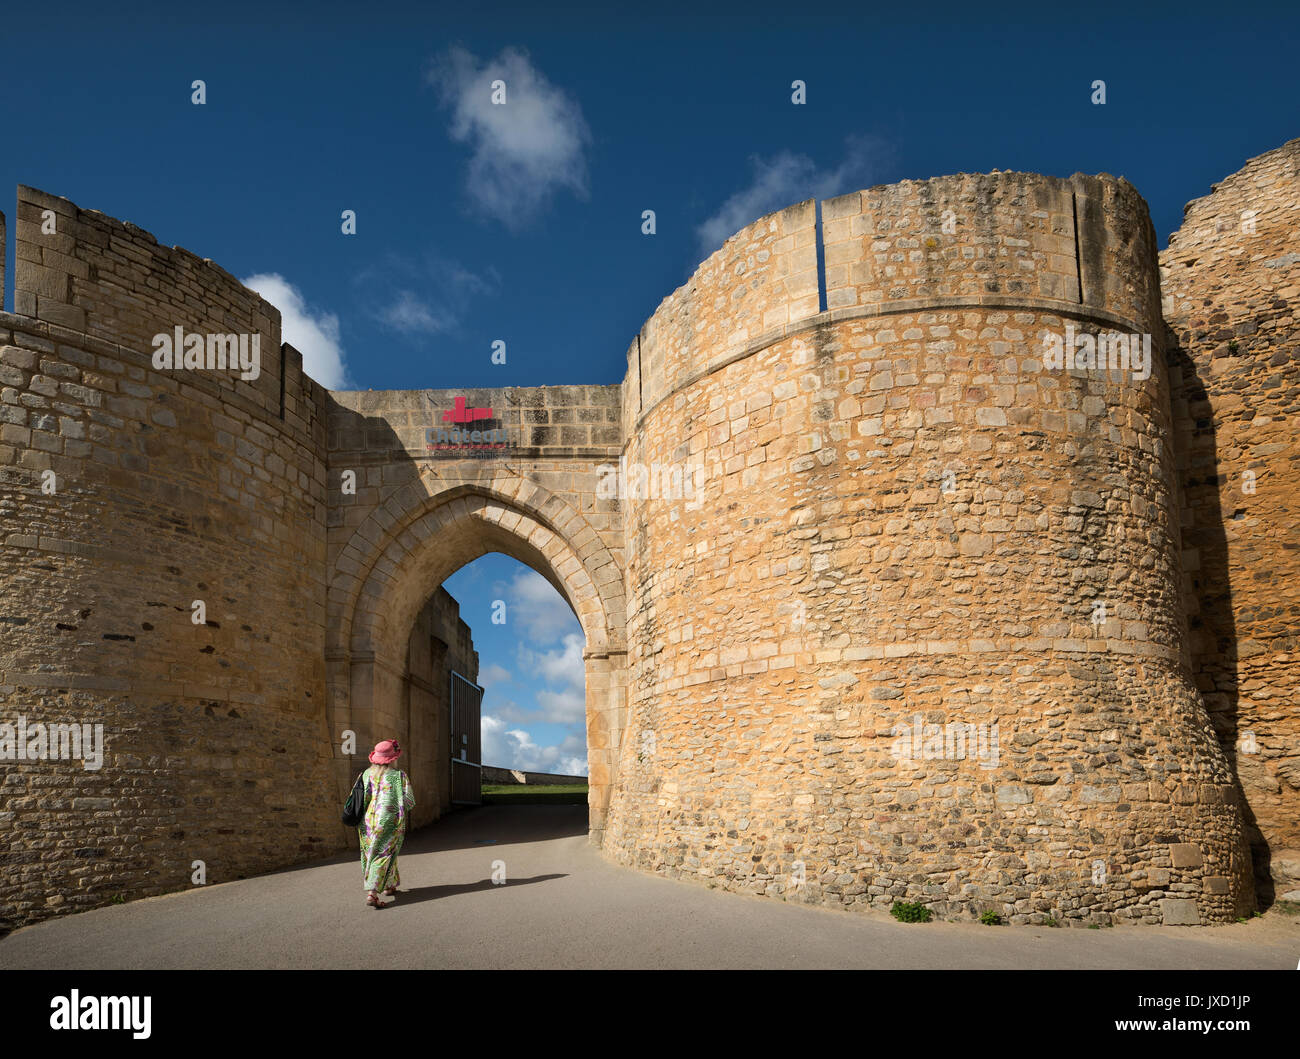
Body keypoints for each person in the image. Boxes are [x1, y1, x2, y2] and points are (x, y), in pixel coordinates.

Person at [357, 739, 415, 908]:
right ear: (393, 758)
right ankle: (372, 893)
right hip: (389, 821)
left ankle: (390, 885)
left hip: (368, 822)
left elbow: (363, 800)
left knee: (375, 852)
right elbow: (409, 801)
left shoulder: (366, 774)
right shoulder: (398, 776)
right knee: (382, 855)